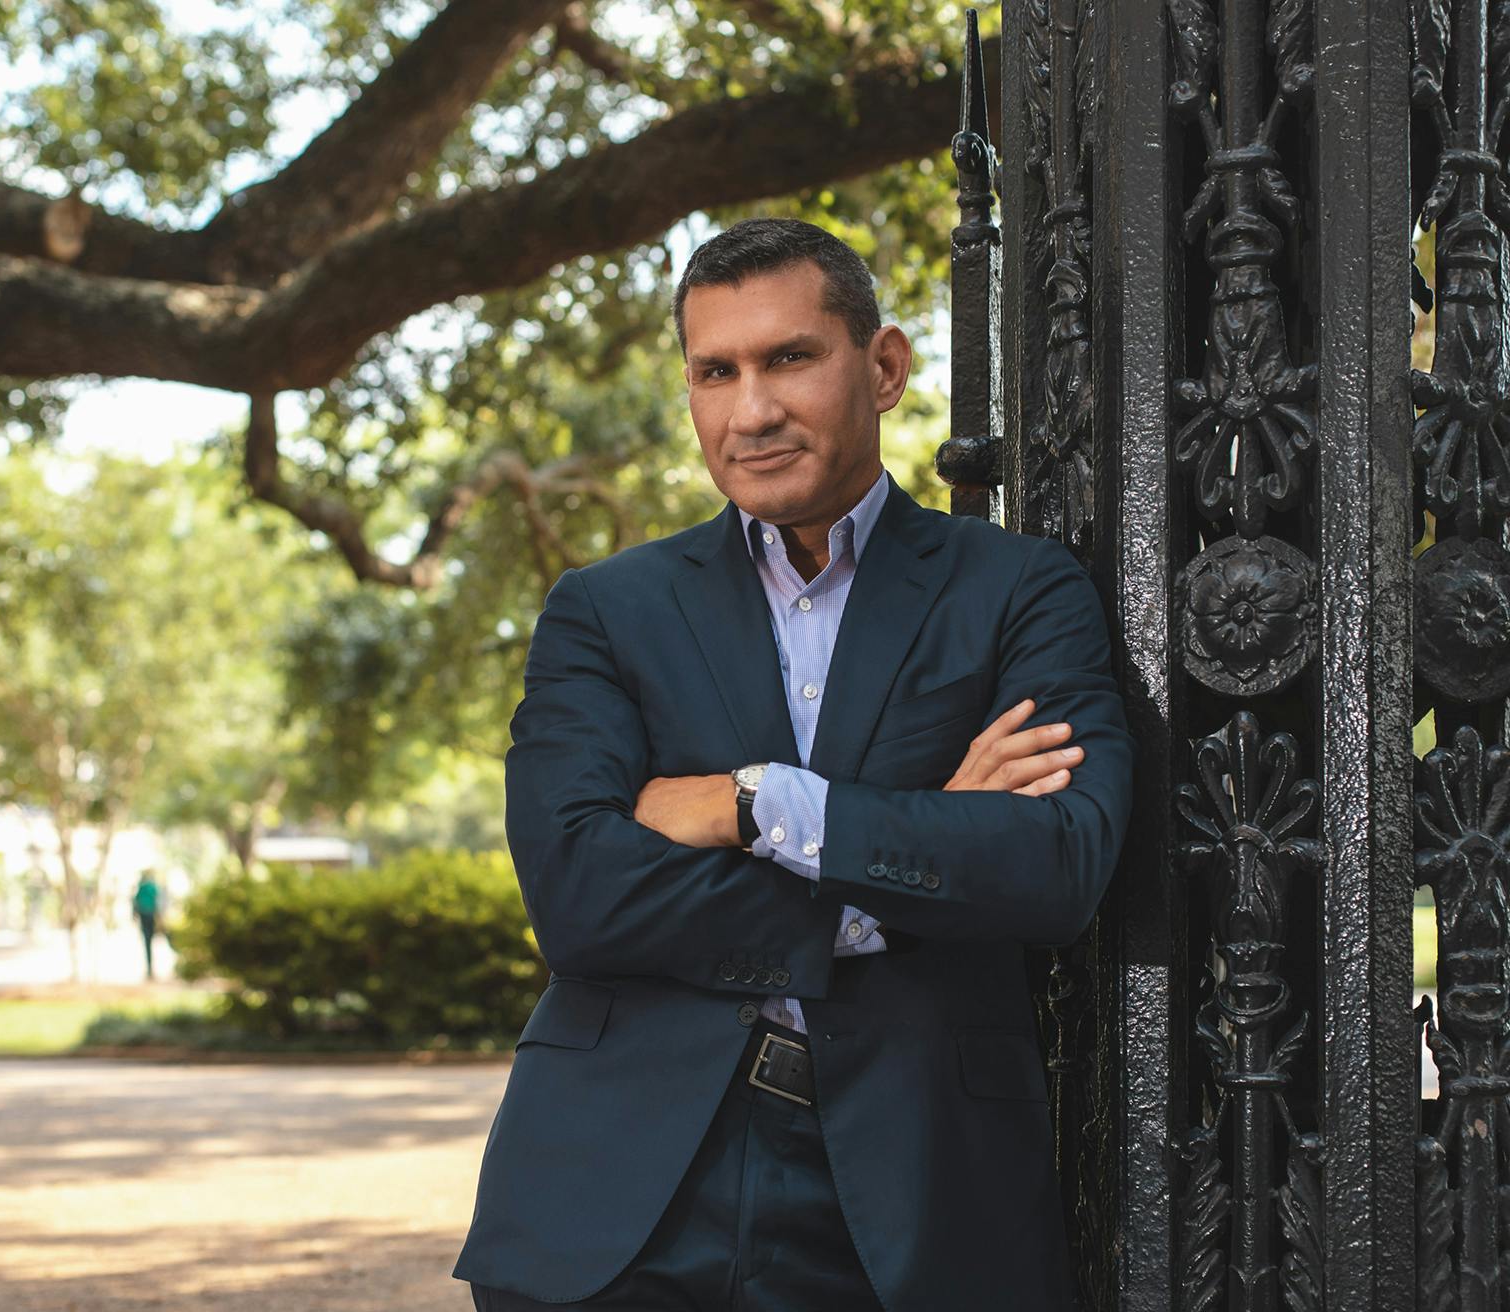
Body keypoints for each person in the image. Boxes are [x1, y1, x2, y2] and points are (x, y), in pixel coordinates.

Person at [453, 217, 1135, 1310]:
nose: (750, 410)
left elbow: (1054, 864)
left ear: (886, 366)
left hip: (912, 1197)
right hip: (621, 1190)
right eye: (714, 372)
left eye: (789, 358)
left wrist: (759, 801)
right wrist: (908, 850)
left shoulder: (1018, 590)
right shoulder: (605, 610)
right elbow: (578, 895)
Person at [131, 870, 164, 981]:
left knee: (147, 942)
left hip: (145, 916)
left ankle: (150, 970)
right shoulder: (153, 887)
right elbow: (158, 902)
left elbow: (135, 902)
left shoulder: (142, 887)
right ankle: (150, 970)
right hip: (150, 916)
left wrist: (134, 914)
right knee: (150, 942)